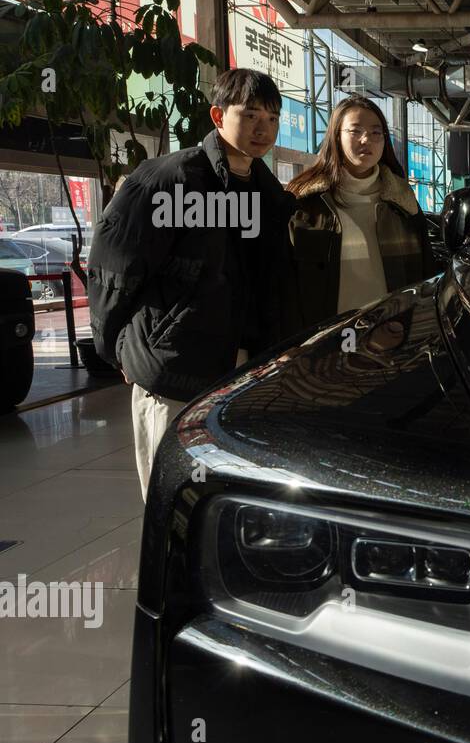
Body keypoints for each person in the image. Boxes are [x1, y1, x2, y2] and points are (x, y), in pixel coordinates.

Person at [87, 68, 296, 500]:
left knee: (226, 496)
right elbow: (113, 268)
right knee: (172, 492)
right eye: (251, 115)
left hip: (243, 369)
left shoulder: (269, 194)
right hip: (174, 367)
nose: (263, 128)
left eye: (272, 118)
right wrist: (116, 349)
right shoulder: (170, 180)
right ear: (218, 116)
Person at [284, 96, 434, 330]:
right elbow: (285, 283)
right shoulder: (305, 203)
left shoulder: (403, 202)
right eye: (355, 131)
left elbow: (425, 276)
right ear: (336, 136)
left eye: (376, 133)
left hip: (391, 334)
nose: (366, 139)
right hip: (324, 338)